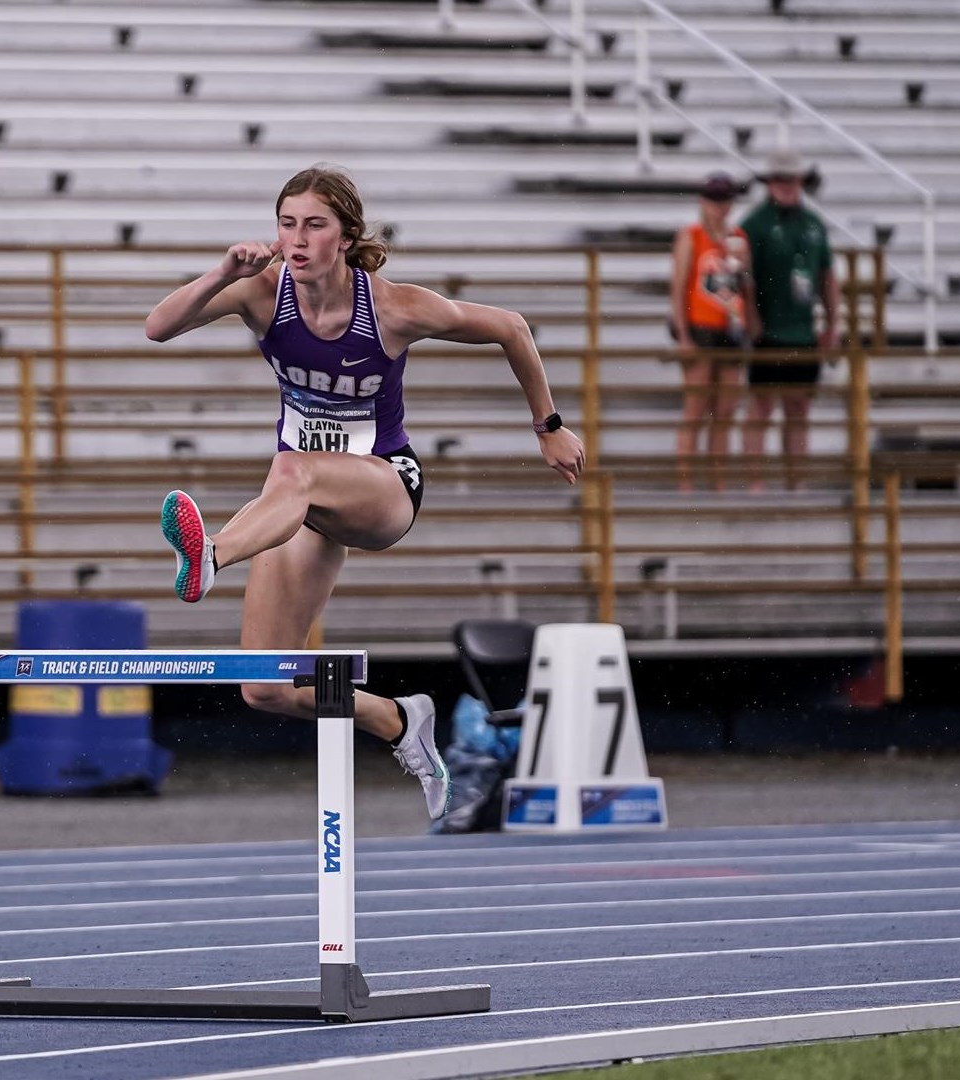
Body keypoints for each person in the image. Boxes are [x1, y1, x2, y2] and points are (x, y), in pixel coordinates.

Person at [144, 166, 586, 820]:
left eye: (314, 225)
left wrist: (547, 427)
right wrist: (221, 275)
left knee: (293, 468)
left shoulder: (393, 307)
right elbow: (158, 328)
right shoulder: (264, 294)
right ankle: (400, 720)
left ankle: (210, 554)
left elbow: (511, 328)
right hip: (298, 510)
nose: (297, 238)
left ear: (346, 237)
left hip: (384, 486)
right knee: (264, 687)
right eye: (287, 223)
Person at [742, 148, 840, 492]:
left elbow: (827, 275)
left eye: (791, 179)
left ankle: (796, 482)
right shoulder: (754, 224)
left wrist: (832, 322)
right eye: (780, 179)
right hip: (768, 331)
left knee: (798, 408)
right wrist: (751, 321)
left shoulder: (813, 224)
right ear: (770, 183)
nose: (786, 185)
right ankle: (756, 483)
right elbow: (742, 276)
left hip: (801, 332)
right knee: (762, 407)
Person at [667, 172, 757, 493]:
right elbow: (678, 289)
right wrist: (684, 335)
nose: (720, 207)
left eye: (725, 201)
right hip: (701, 327)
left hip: (730, 329)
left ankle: (718, 482)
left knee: (725, 410)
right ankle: (686, 485)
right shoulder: (691, 237)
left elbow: (744, 287)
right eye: (715, 200)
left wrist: (743, 265)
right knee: (695, 409)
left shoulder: (737, 239)